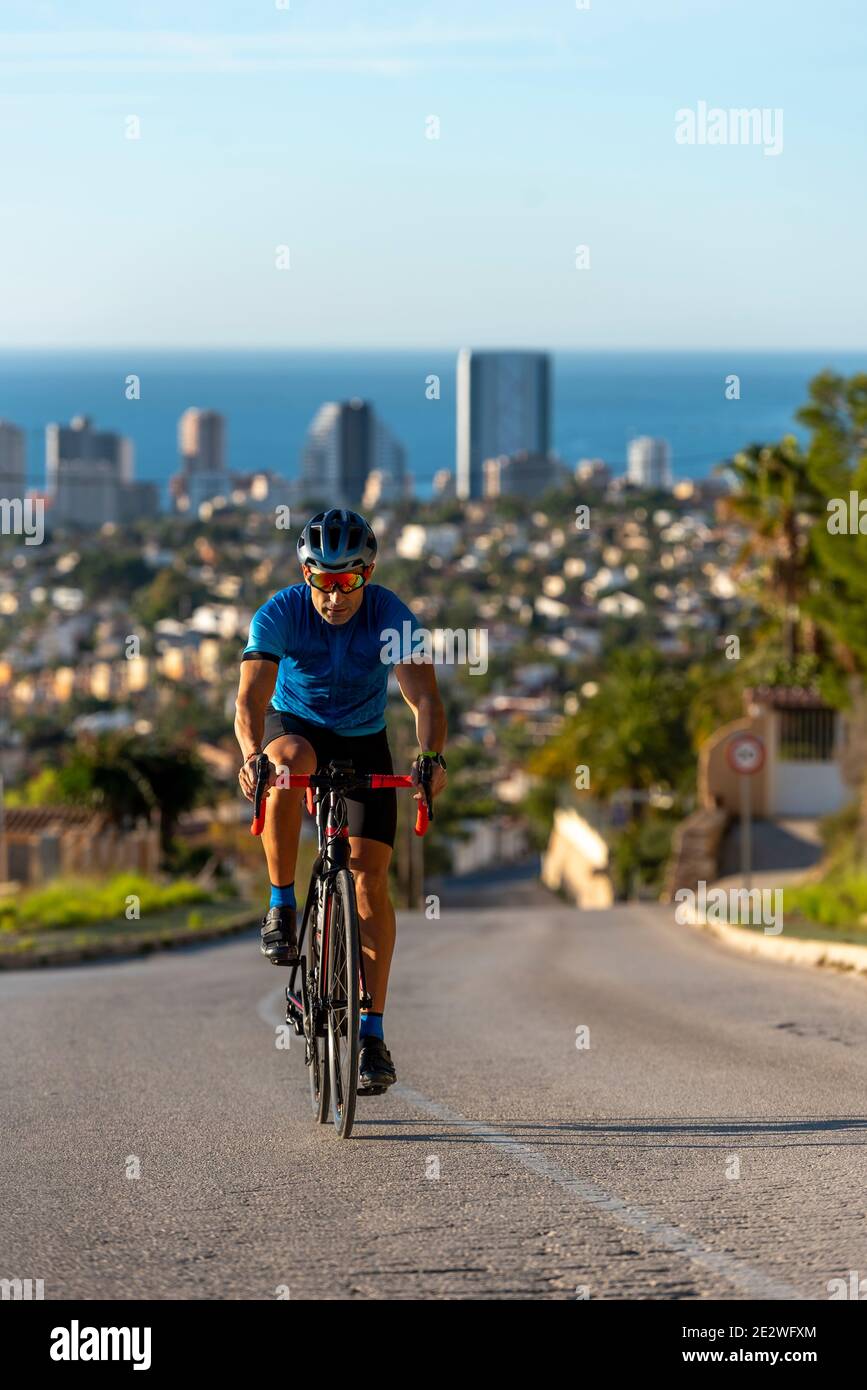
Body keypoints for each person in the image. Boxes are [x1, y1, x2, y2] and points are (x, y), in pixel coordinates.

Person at [235, 508, 447, 1093]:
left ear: (368, 573)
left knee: (369, 882)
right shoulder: (279, 613)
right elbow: (250, 699)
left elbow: (424, 698)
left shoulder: (391, 616)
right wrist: (254, 753)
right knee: (292, 762)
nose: (333, 596)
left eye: (347, 580)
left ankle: (372, 1035)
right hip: (293, 726)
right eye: (321, 581)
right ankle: (281, 904)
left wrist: (429, 759)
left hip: (362, 740)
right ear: (306, 576)